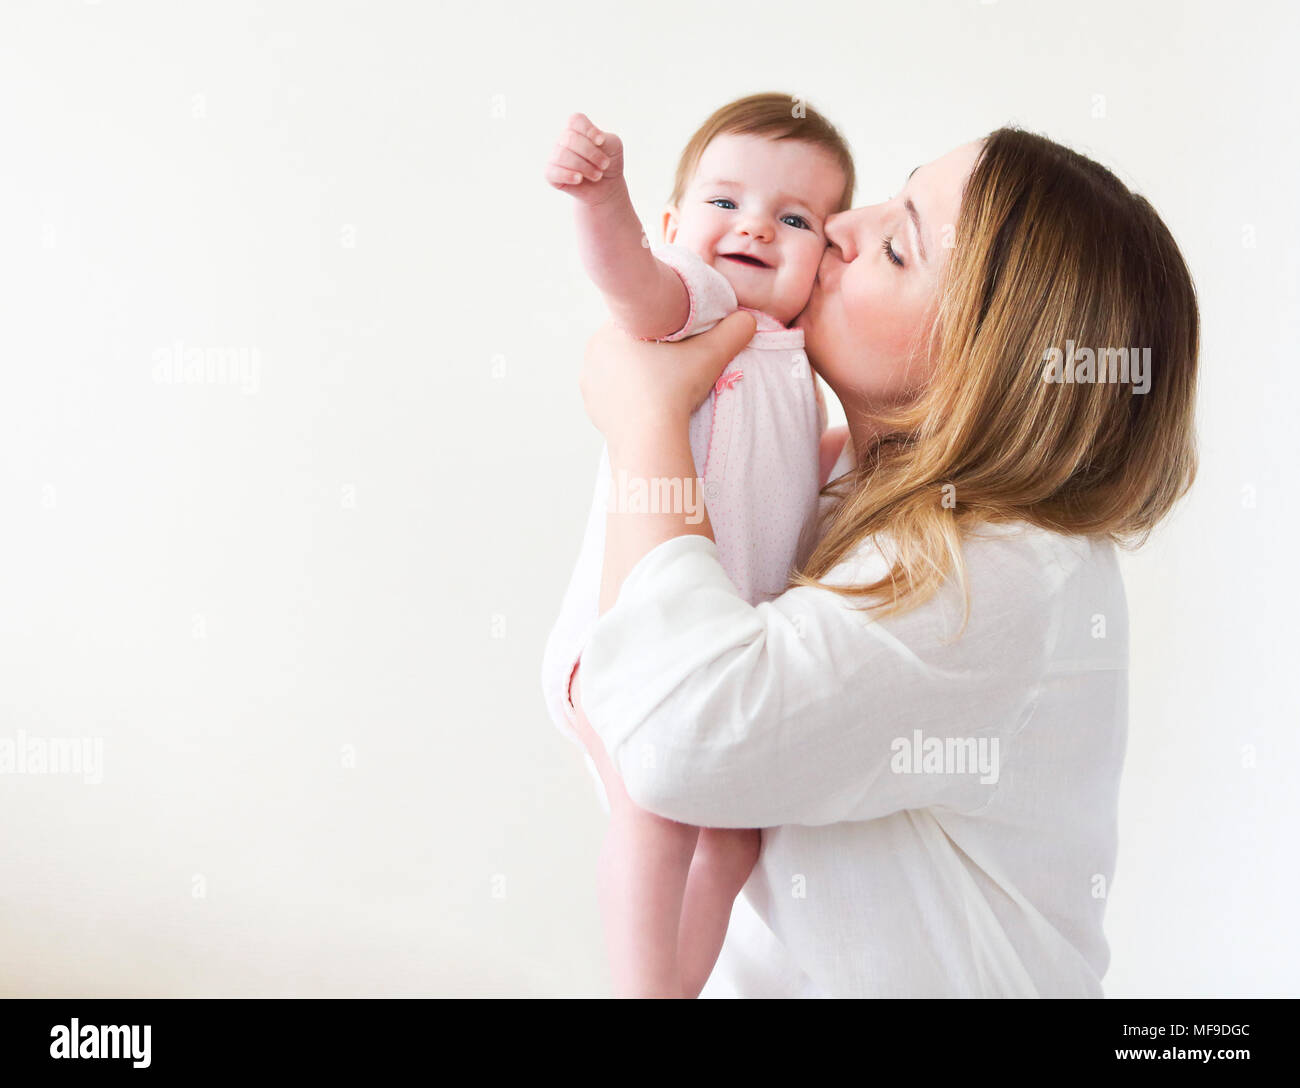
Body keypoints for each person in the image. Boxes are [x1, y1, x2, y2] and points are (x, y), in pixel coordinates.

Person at [563, 128, 1199, 998]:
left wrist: (646, 420)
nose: (839, 228)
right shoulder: (830, 487)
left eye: (897, 248)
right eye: (889, 197)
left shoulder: (1002, 567)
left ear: (981, 374)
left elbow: (681, 736)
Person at [541, 94, 855, 999]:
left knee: (735, 836)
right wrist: (604, 203)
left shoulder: (792, 357)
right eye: (725, 203)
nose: (754, 226)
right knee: (656, 814)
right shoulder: (698, 304)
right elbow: (630, 279)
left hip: (701, 658)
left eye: (794, 219)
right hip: (621, 652)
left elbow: (803, 472)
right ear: (677, 225)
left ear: (824, 260)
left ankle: (679, 985)